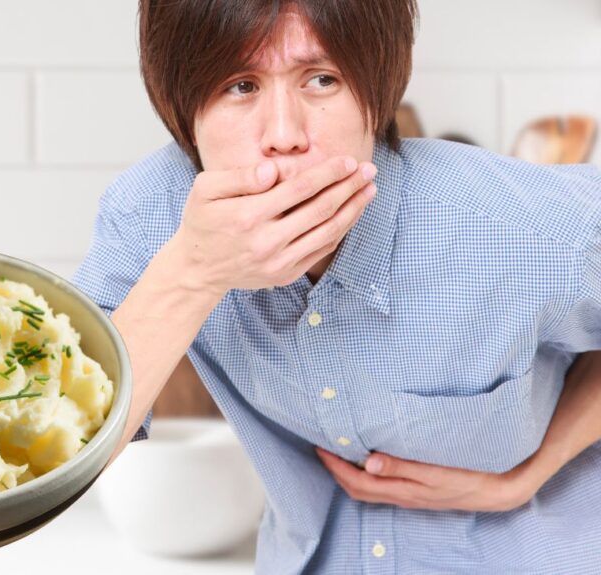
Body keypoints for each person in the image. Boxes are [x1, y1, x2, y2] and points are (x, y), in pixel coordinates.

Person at [71, 1, 601, 572]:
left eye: (322, 79)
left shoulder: (509, 223)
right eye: (240, 85)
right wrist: (193, 274)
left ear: (377, 89)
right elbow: (59, 453)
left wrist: (530, 472)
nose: (283, 136)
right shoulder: (149, 218)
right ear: (183, 111)